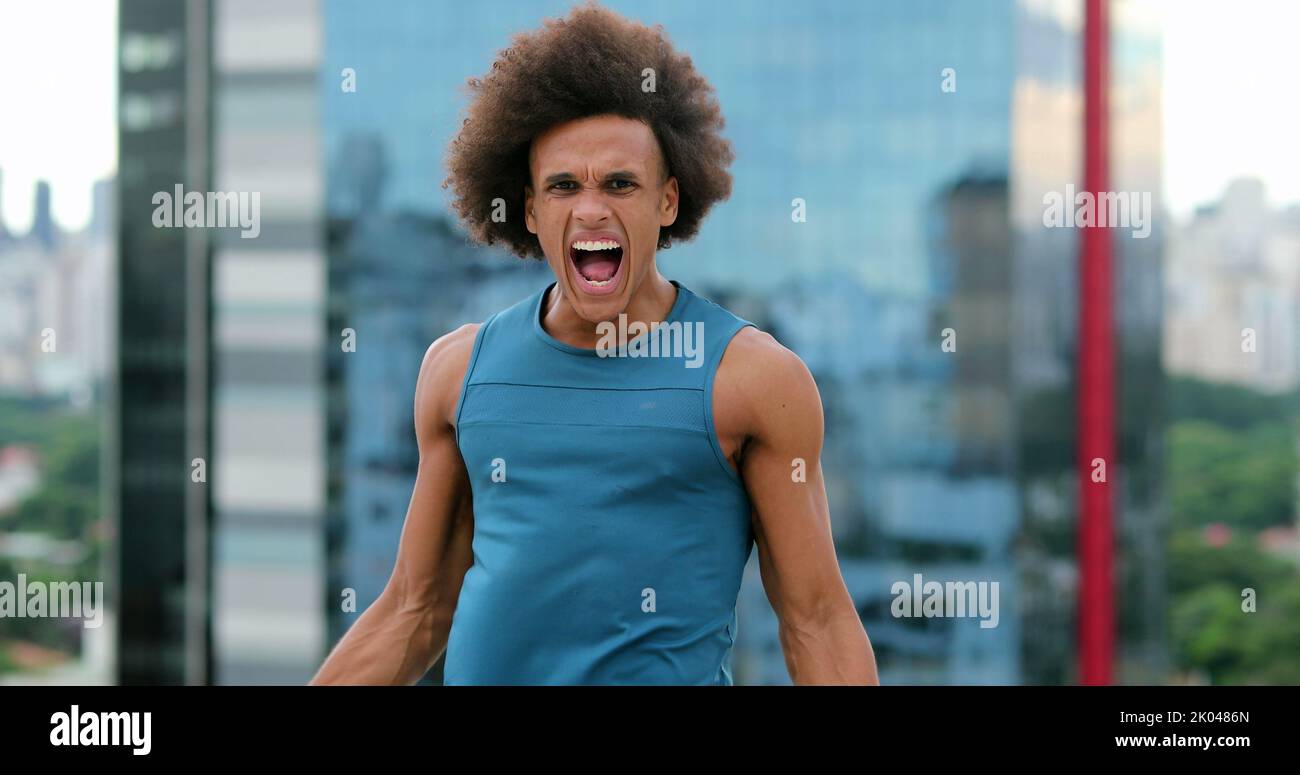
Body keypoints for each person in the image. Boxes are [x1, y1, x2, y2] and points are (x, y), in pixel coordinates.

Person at [311, 1, 877, 686]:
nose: (590, 208)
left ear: (667, 201)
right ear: (529, 210)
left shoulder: (752, 380)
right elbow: (414, 609)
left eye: (618, 183)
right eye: (562, 186)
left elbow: (816, 619)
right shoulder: (458, 372)